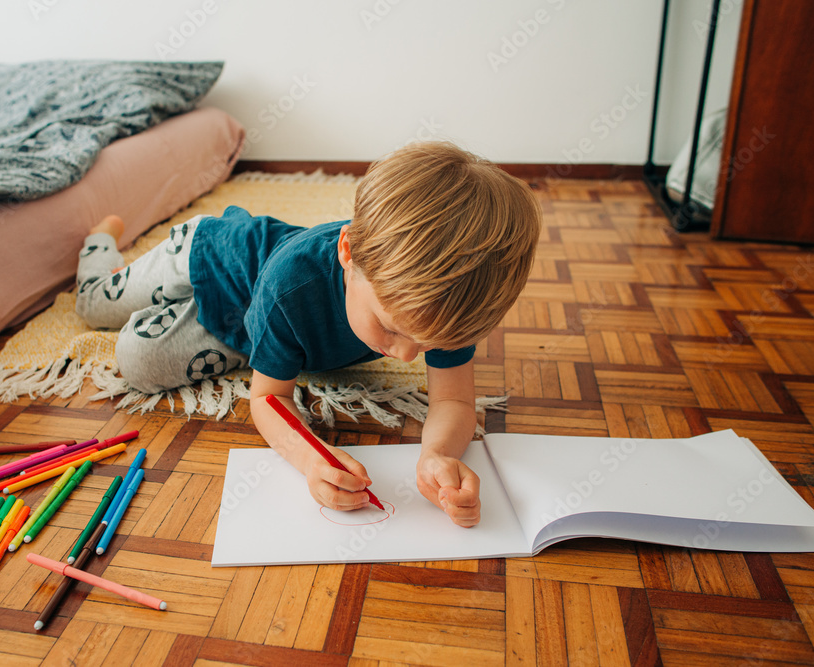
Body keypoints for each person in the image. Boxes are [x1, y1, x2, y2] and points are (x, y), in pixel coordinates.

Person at [74, 141, 542, 527]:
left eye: (427, 346)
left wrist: (437, 454)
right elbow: (268, 400)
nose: (404, 357)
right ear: (349, 252)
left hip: (263, 312)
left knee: (140, 355)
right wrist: (310, 459)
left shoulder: (449, 304)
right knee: (98, 309)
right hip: (209, 259)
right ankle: (103, 243)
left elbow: (454, 403)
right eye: (390, 329)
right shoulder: (290, 285)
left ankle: (265, 342)